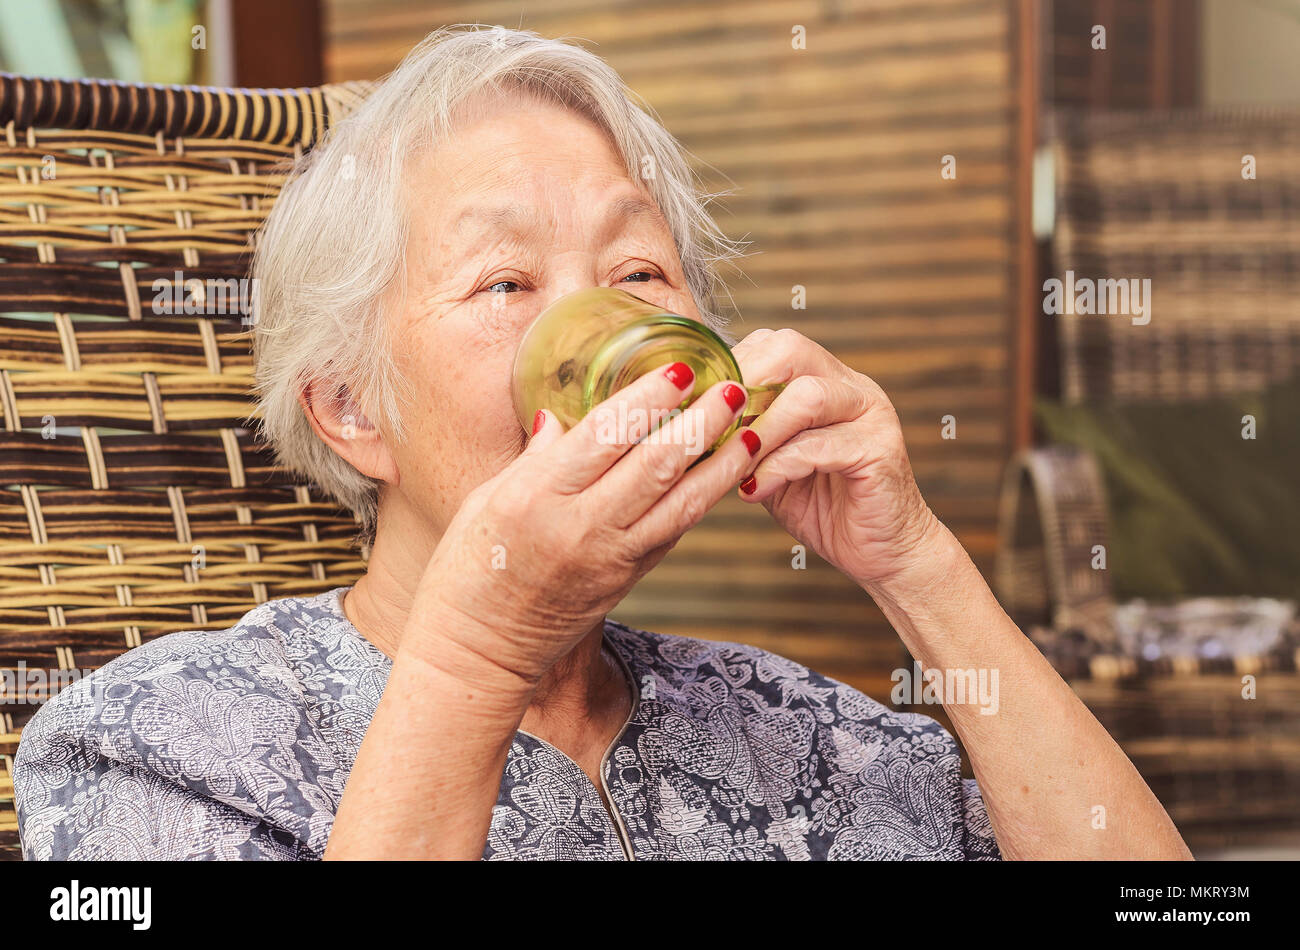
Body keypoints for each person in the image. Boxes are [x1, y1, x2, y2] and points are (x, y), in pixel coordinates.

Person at [14, 26, 1190, 861]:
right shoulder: (153, 743)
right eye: (505, 278)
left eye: (637, 272)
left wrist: (919, 565)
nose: (600, 330)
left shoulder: (801, 731)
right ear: (351, 409)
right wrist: (479, 650)